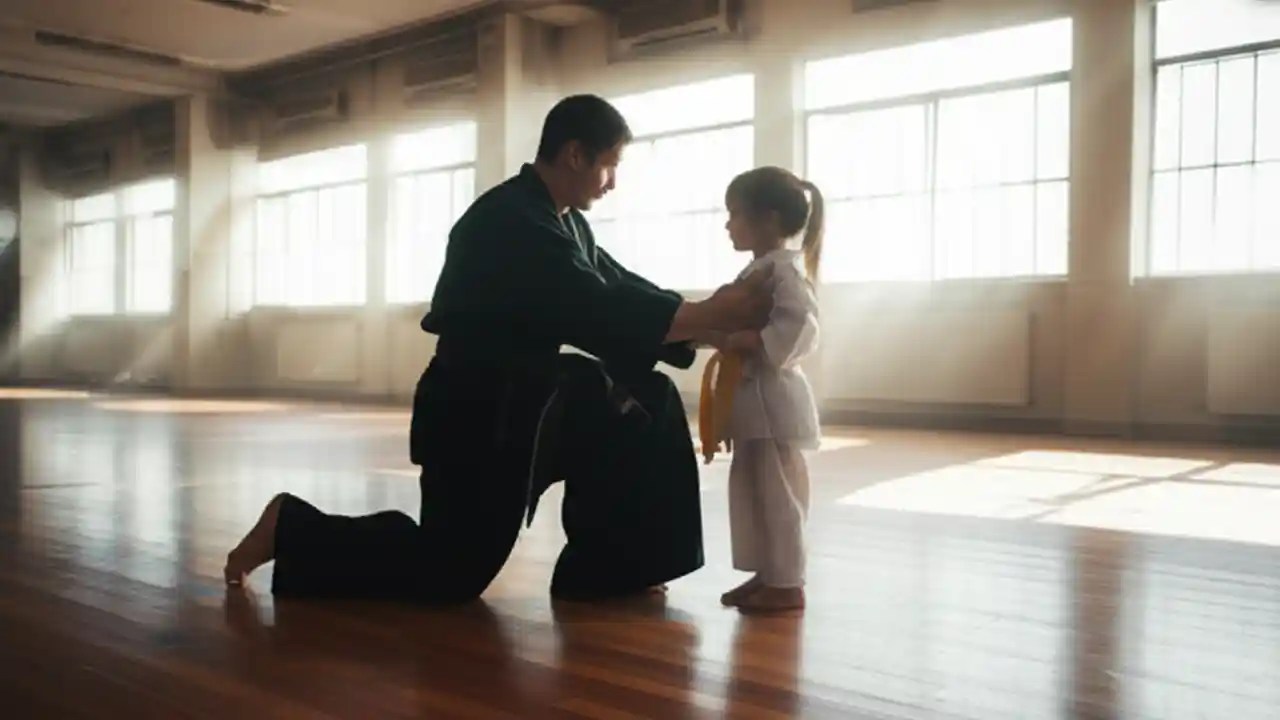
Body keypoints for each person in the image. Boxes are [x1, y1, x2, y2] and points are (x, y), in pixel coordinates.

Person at [223, 95, 773, 603]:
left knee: (643, 400)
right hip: (478, 410)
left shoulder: (566, 223)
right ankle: (291, 527)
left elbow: (619, 287)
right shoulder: (508, 220)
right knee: (448, 572)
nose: (611, 183)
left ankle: (614, 566)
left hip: (530, 396)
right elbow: (590, 304)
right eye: (610, 165)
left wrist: (709, 327)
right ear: (575, 155)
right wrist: (710, 315)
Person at [703, 167, 824, 613]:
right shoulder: (759, 269)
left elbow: (802, 328)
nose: (728, 224)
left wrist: (754, 341)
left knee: (778, 492)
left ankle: (788, 582)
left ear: (768, 219)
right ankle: (768, 573)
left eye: (735, 214)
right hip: (753, 402)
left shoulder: (786, 273)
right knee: (754, 491)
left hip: (775, 402)